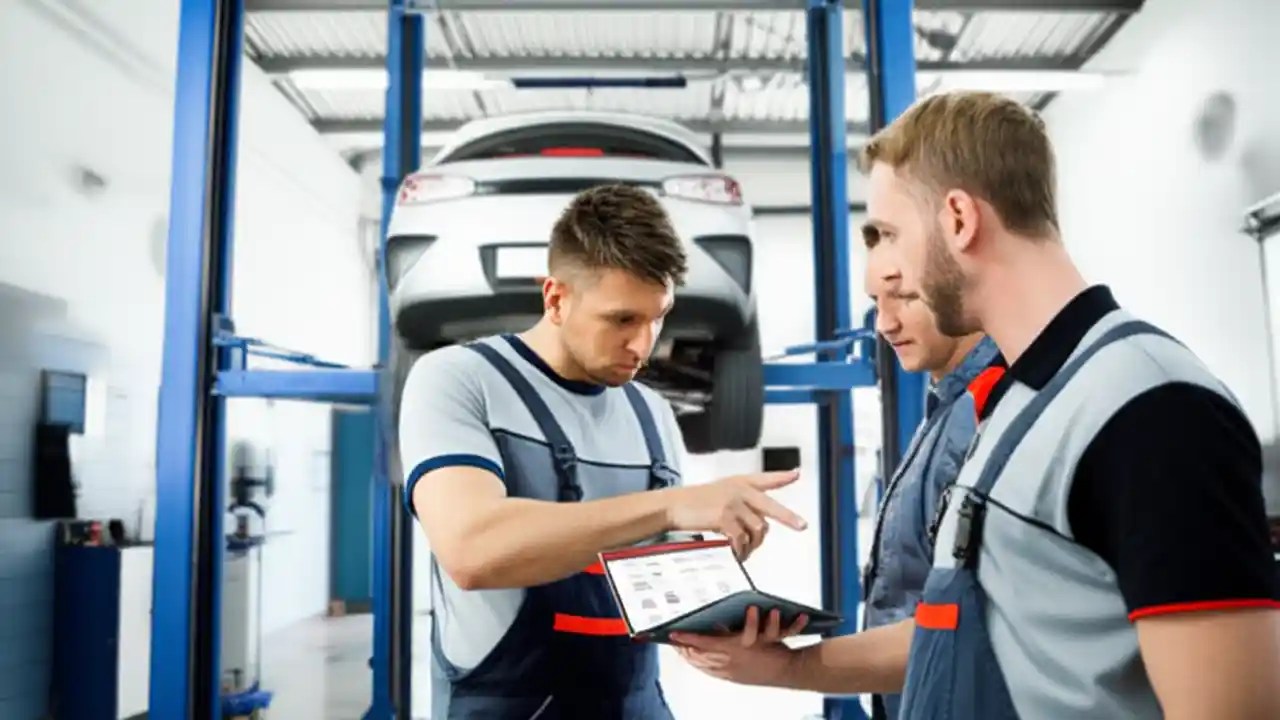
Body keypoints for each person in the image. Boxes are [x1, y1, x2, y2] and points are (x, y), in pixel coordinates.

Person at [671, 91, 1280, 719]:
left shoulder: (1152, 412)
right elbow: (970, 625)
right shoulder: (1019, 405)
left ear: (959, 218)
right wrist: (788, 667)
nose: (881, 273)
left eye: (886, 234)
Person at [398, 183, 808, 720]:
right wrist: (669, 507)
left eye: (657, 317)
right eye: (621, 320)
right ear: (555, 297)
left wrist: (722, 607)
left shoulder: (652, 414)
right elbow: (472, 551)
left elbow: (660, 584)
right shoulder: (458, 380)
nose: (644, 344)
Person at [856, 234, 1003, 720]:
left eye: (905, 299)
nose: (885, 324)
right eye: (877, 302)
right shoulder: (944, 411)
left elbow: (971, 625)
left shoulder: (987, 412)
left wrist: (786, 667)